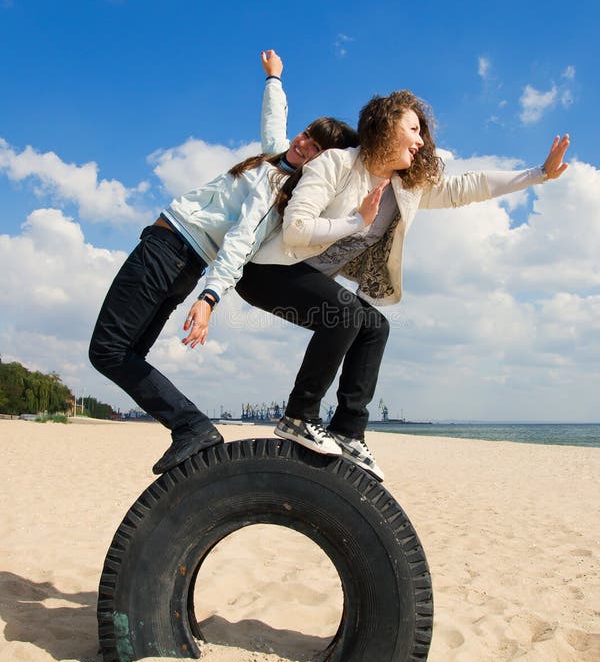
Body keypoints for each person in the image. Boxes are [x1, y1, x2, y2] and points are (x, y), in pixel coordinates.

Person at [224, 90, 570, 482]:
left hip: (306, 280)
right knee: (345, 313)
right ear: (386, 126)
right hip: (266, 272)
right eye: (413, 129)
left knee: (374, 326)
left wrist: (539, 173)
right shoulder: (336, 163)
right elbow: (296, 228)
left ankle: (348, 430)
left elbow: (469, 185)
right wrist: (356, 221)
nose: (421, 140)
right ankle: (299, 415)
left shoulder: (404, 188)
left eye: (422, 132)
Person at [88, 50, 358, 475]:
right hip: (178, 260)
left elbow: (240, 242)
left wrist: (209, 298)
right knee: (127, 353)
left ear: (322, 162)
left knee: (105, 351)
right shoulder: (275, 159)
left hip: (171, 250)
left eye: (315, 148)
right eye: (306, 134)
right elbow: (274, 124)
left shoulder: (276, 189)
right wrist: (275, 78)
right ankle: (190, 426)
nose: (302, 143)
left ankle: (191, 427)